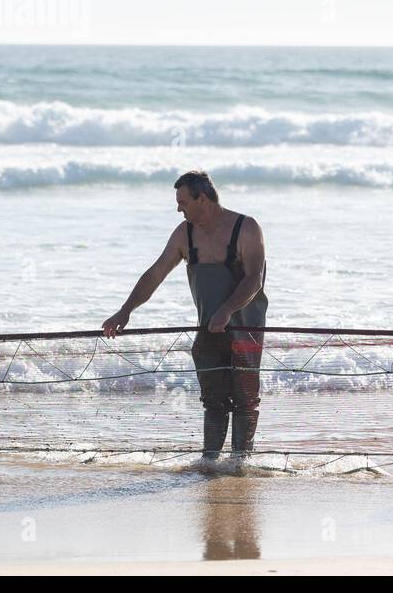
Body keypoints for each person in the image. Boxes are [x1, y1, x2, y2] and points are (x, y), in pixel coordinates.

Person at [102, 170, 268, 461]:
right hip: (207, 331)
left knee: (245, 401)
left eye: (183, 202)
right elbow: (155, 274)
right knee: (213, 402)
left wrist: (227, 310)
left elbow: (254, 279)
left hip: (246, 330)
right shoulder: (184, 234)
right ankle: (210, 462)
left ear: (202, 198)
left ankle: (241, 464)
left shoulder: (246, 227)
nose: (179, 209)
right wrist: (125, 310)